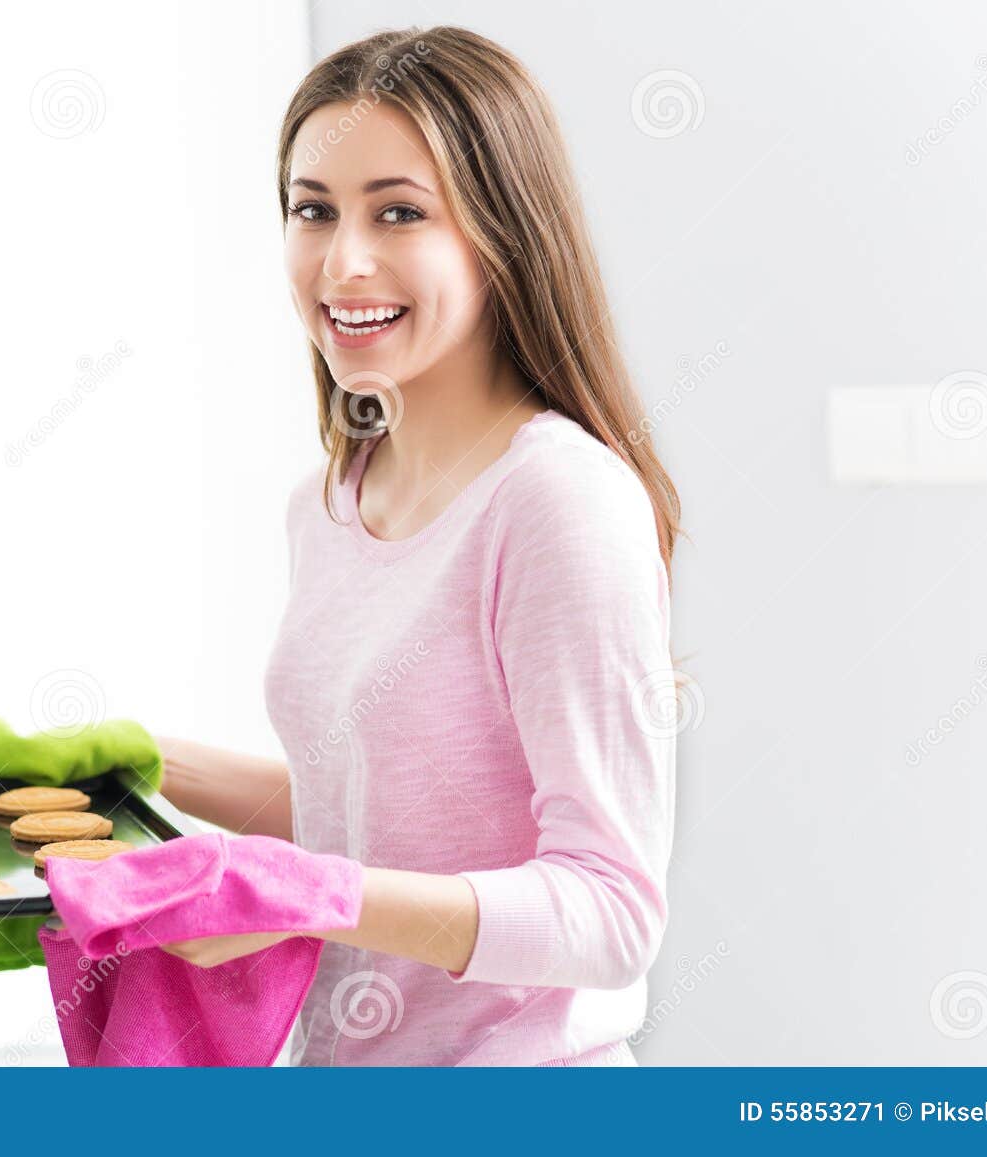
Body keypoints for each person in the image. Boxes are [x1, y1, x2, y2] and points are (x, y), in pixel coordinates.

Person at [154, 25, 683, 1066]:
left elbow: (612, 911)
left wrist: (318, 892)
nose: (342, 260)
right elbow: (385, 813)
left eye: (399, 211)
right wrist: (145, 763)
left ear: (501, 233)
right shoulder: (330, 500)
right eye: (314, 210)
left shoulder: (556, 499)